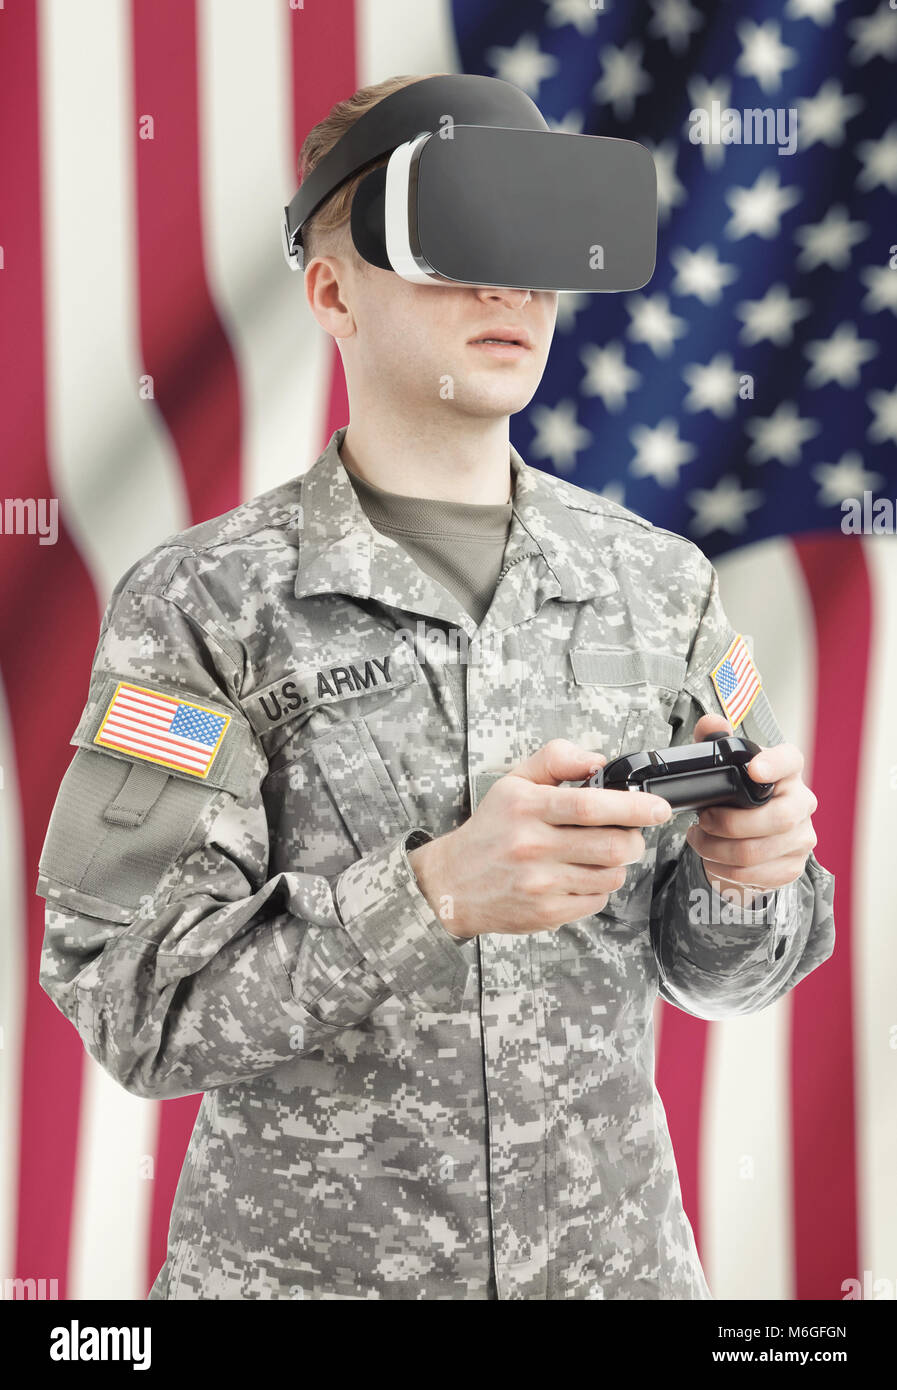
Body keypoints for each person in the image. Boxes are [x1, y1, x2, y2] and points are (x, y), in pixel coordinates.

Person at [36, 72, 835, 1301]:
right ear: (330, 287)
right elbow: (129, 1000)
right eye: (457, 235)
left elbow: (735, 967)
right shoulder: (203, 604)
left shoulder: (659, 585)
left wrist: (749, 879)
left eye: (536, 241)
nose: (509, 283)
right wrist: (431, 892)